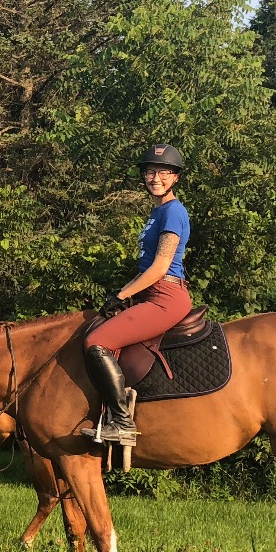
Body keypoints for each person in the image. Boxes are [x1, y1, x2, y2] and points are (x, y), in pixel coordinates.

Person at [80, 143, 194, 444]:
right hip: (152, 293)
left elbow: (159, 267)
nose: (155, 178)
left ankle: (122, 423)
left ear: (176, 177)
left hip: (166, 296)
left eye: (163, 172)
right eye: (150, 172)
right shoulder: (157, 213)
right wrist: (129, 294)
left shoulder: (173, 213)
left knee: (97, 340)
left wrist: (121, 295)